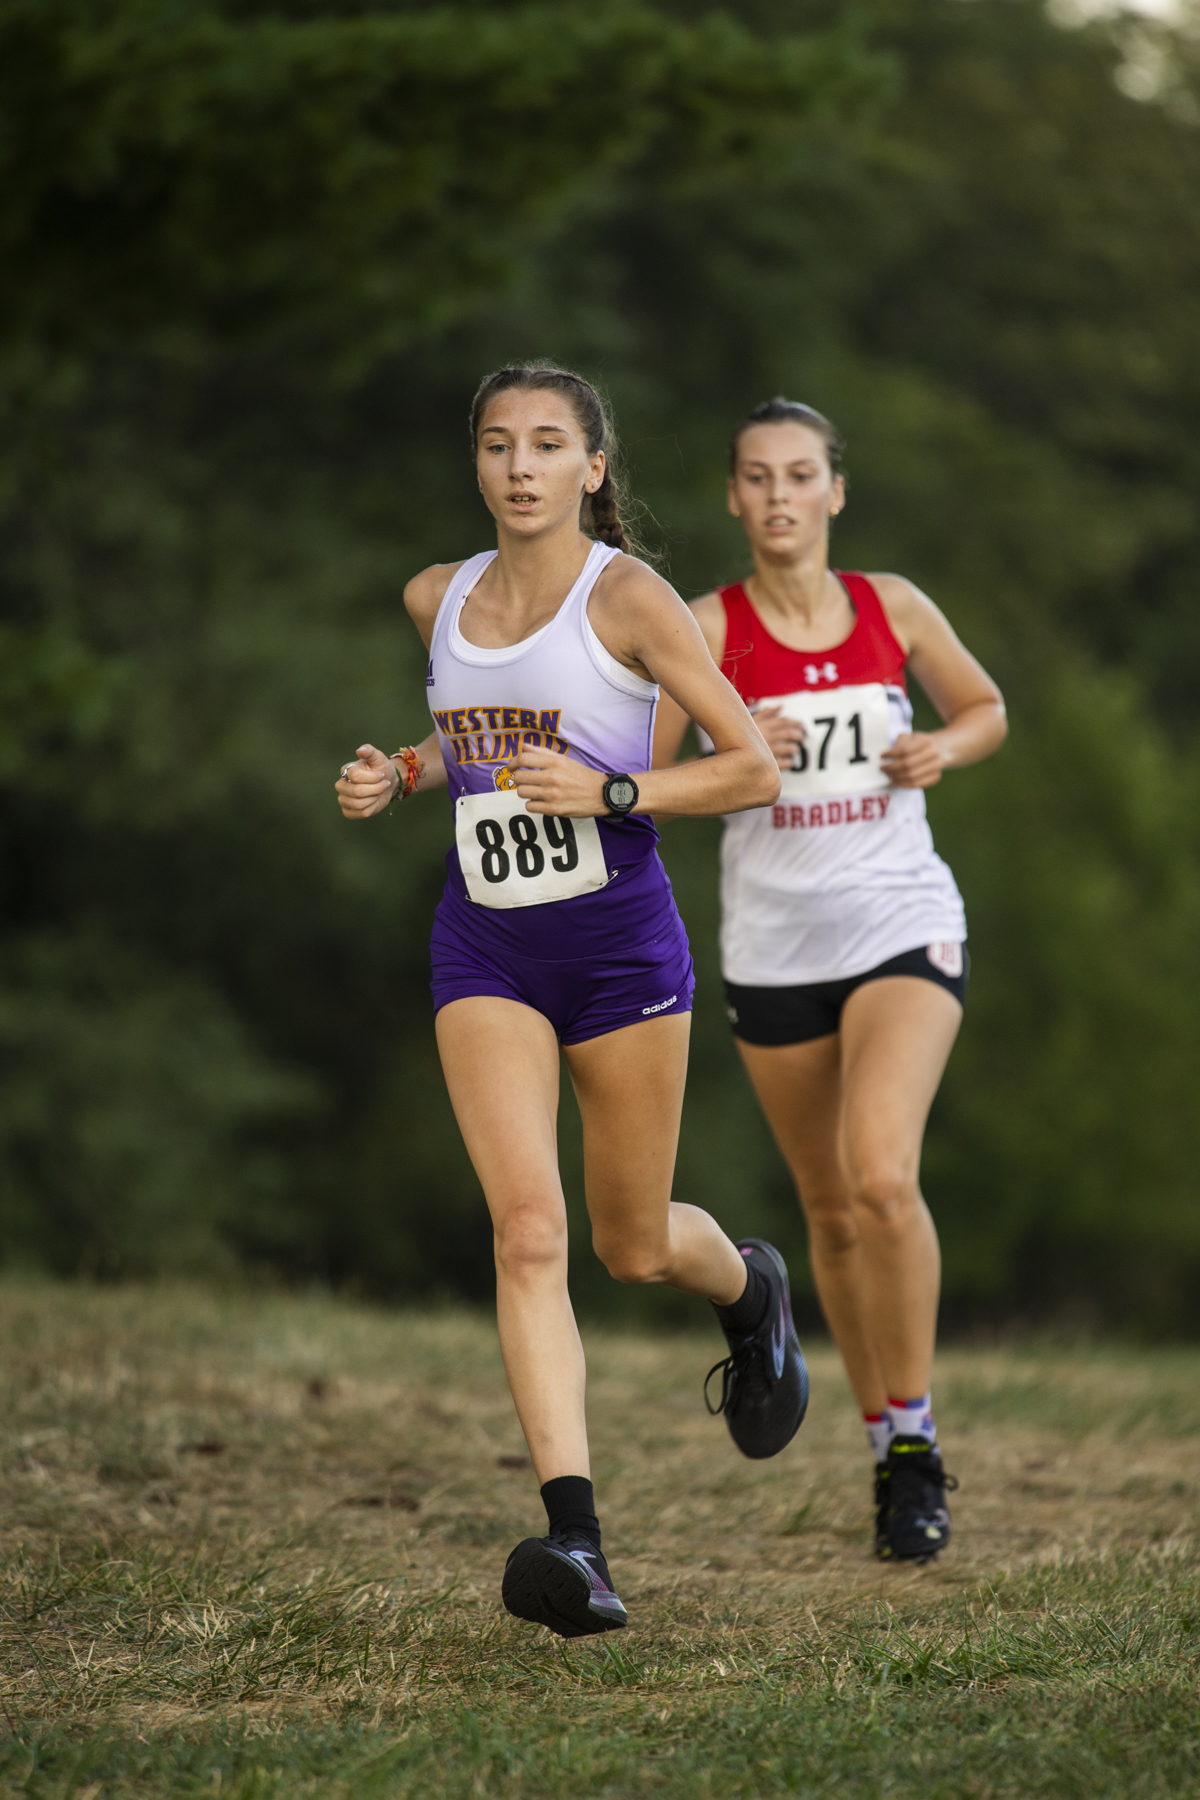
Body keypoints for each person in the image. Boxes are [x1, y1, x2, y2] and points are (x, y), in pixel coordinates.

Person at [335, 365, 808, 1639]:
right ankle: (577, 1540)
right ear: (477, 464)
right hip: (484, 948)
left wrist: (611, 792)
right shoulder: (435, 597)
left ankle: (749, 1290)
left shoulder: (631, 598)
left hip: (619, 954)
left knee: (630, 1244)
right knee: (528, 1232)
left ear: (592, 468)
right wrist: (404, 772)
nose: (521, 467)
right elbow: (475, 740)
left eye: (549, 445)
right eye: (499, 444)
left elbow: (750, 768)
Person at [653, 398, 1007, 1563]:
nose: (779, 496)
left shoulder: (891, 605)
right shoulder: (705, 626)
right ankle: (882, 1448)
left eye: (800, 474)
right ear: (733, 495)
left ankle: (918, 1440)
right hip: (776, 949)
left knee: (882, 1175)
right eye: (757, 477)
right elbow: (643, 781)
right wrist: (738, 748)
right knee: (832, 1214)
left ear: (835, 491)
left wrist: (940, 747)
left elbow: (987, 710)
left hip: (901, 920)